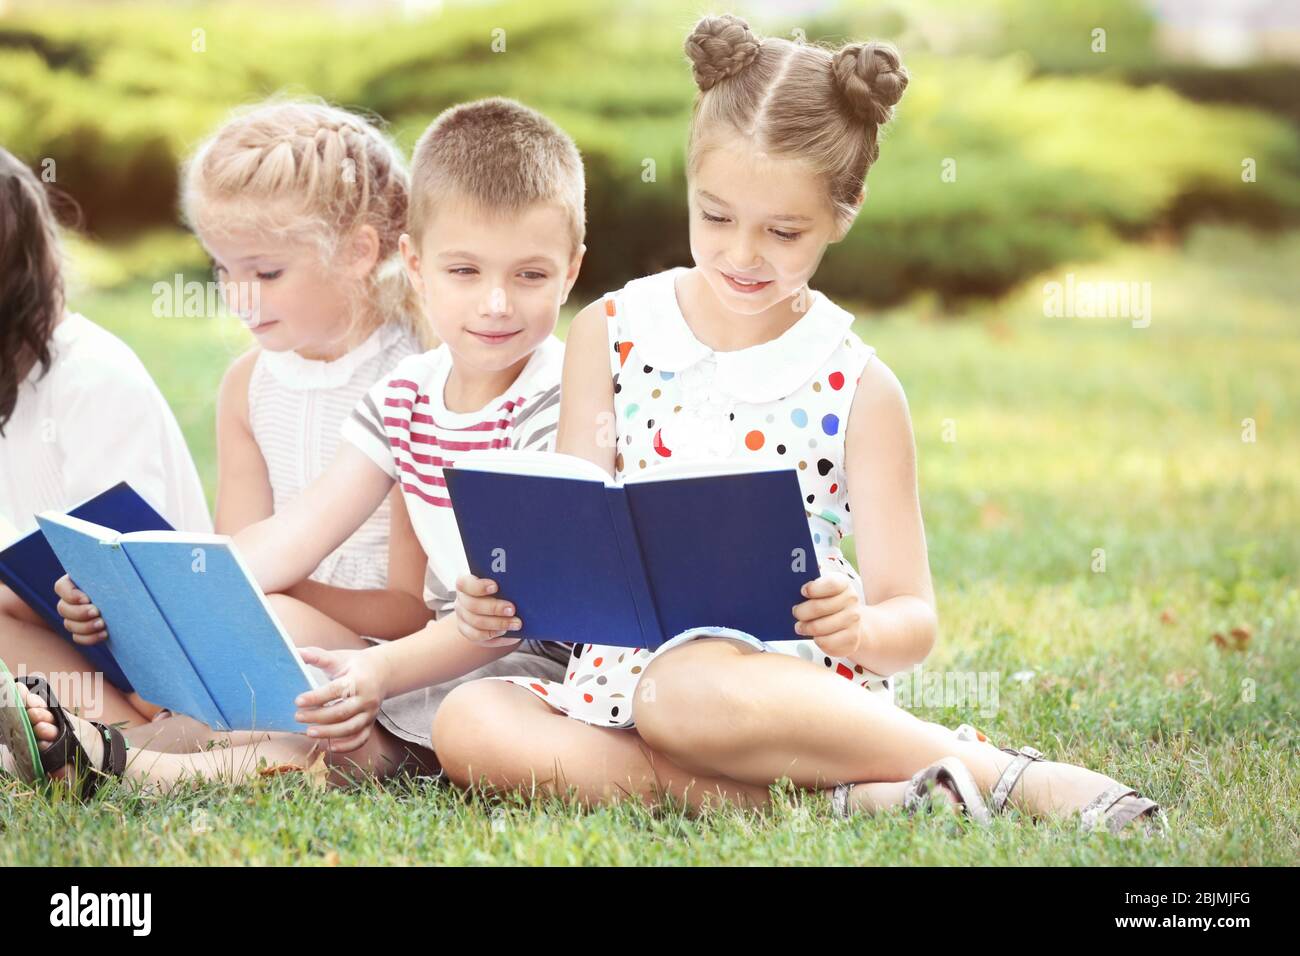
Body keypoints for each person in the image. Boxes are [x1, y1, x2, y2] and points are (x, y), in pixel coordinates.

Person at [430, 15, 1169, 837]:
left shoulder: (858, 385)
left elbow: (909, 618)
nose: (743, 254)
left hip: (771, 690)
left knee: (681, 693)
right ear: (688, 188)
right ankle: (862, 802)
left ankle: (1000, 773)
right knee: (469, 721)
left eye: (783, 233)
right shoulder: (610, 329)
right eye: (715, 217)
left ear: (842, 215)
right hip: (614, 688)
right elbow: (577, 524)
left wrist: (861, 627)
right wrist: (517, 590)